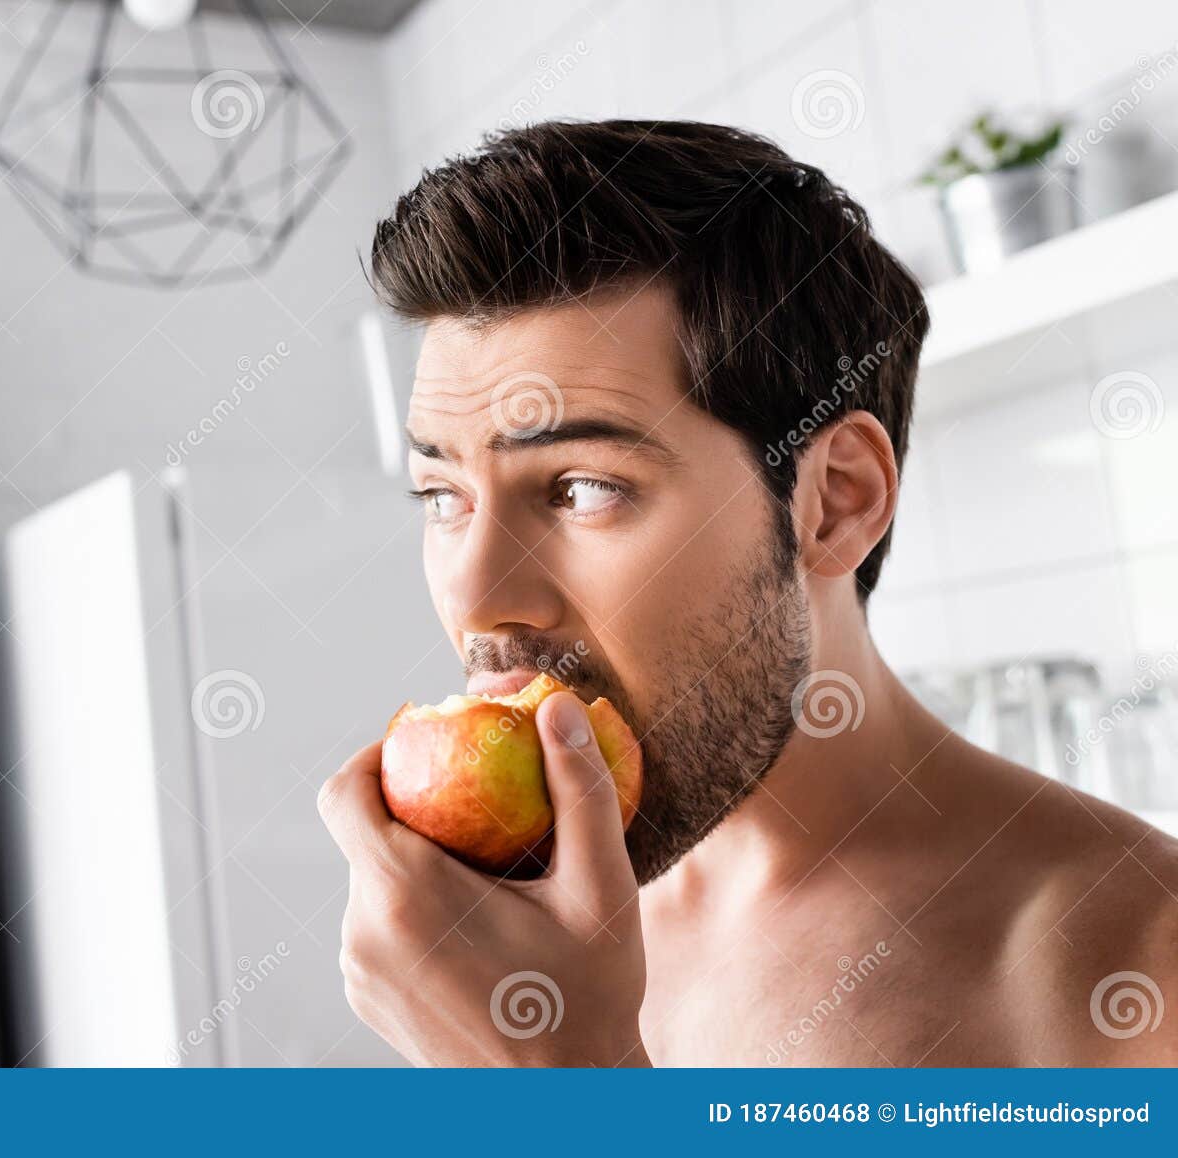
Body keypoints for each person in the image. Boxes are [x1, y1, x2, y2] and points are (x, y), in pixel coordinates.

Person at [317, 120, 1178, 1067]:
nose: (478, 599)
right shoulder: (487, 943)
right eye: (443, 497)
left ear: (835, 501)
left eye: (582, 488)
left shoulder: (1138, 970)